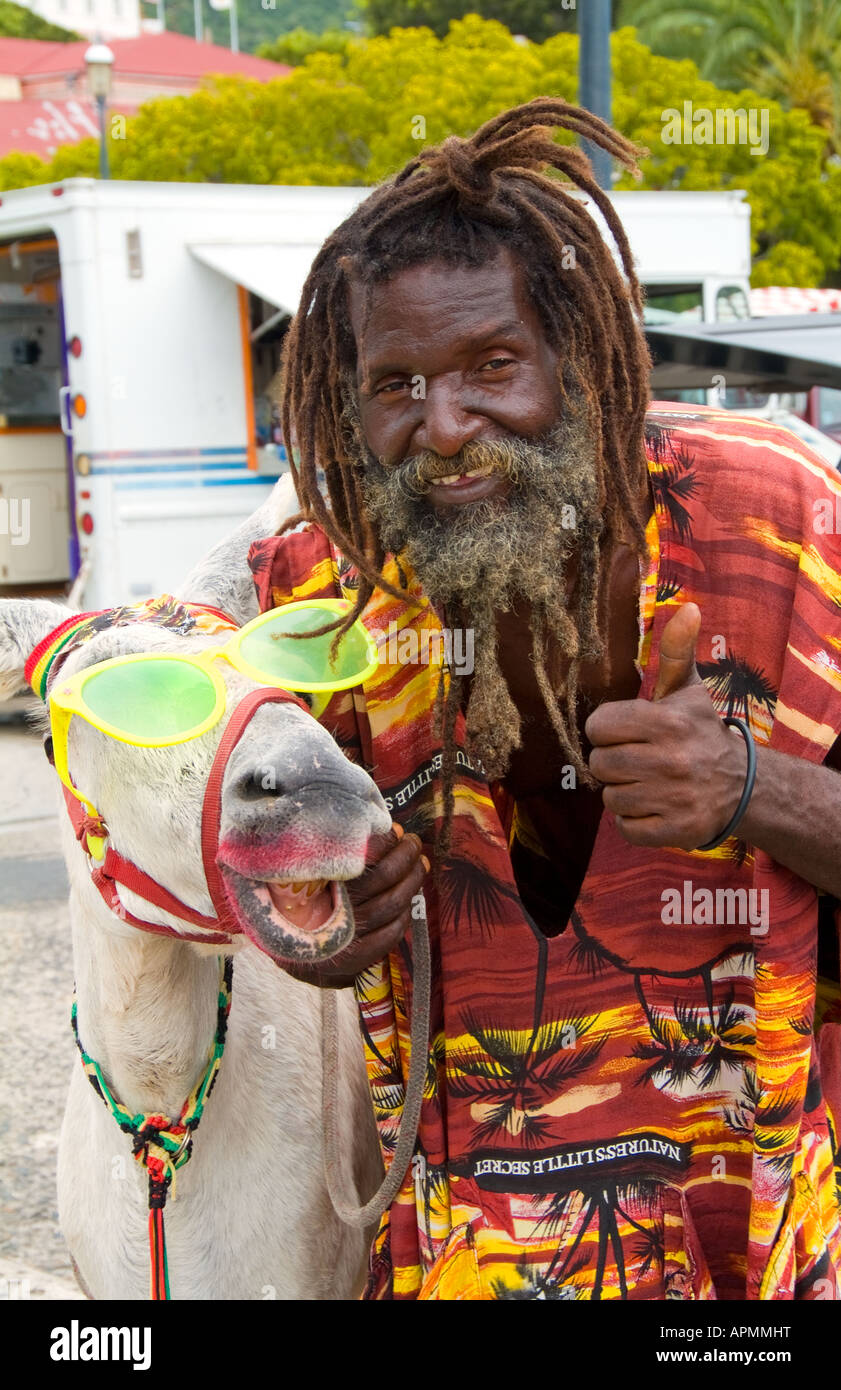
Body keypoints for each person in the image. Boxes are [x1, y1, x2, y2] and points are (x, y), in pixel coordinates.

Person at [248, 99, 841, 1300]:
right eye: (396, 384)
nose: (447, 428)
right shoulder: (320, 589)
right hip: (462, 1252)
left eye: (491, 365)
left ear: (578, 350)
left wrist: (748, 786)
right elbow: (218, 856)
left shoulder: (788, 532)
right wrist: (309, 924)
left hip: (746, 1246)